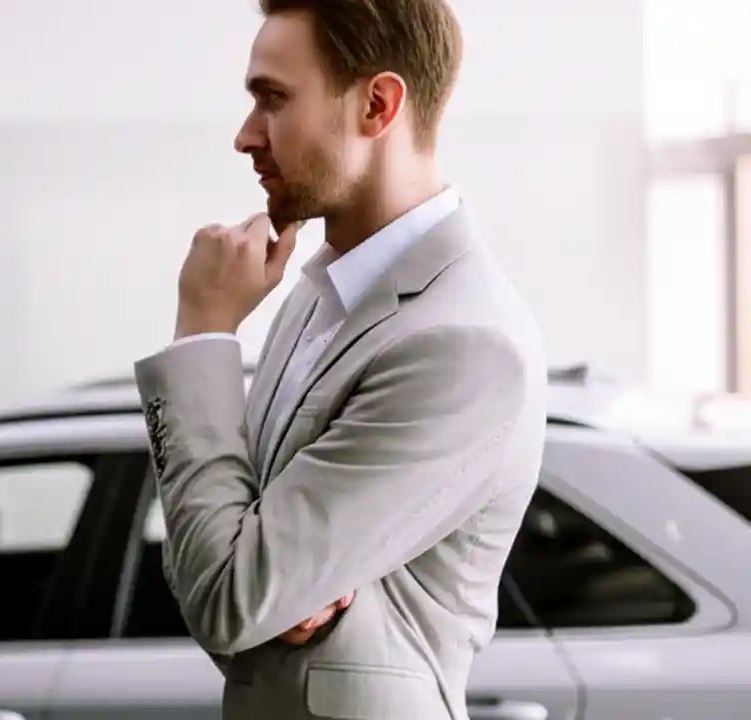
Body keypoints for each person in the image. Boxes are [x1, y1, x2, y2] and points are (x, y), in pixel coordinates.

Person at [133, 1, 547, 718]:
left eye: (273, 98)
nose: (245, 136)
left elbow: (225, 597)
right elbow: (210, 559)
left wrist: (203, 330)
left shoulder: (464, 342)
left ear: (377, 105)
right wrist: (259, 582)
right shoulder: (315, 296)